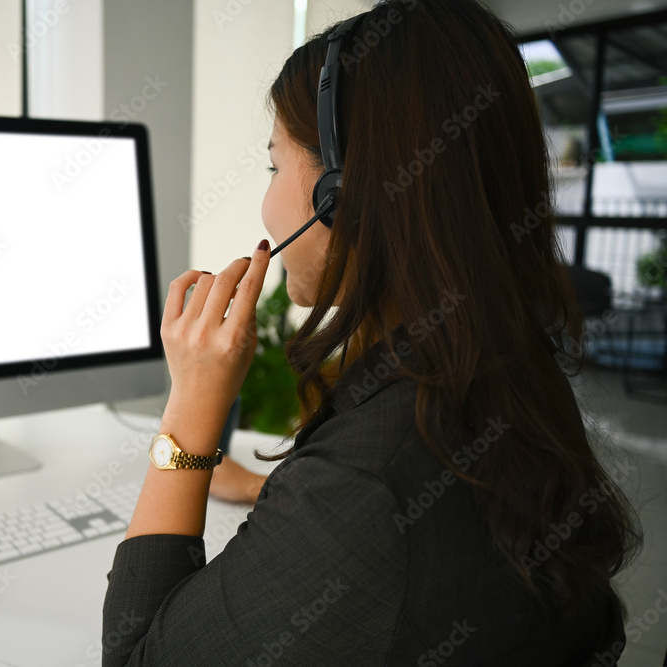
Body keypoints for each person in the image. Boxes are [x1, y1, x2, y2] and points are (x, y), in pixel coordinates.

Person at [102, 0, 642, 664]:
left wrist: (191, 410)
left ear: (340, 193)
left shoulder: (367, 484)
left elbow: (136, 656)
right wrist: (272, 490)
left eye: (275, 167)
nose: (267, 203)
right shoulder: (508, 373)